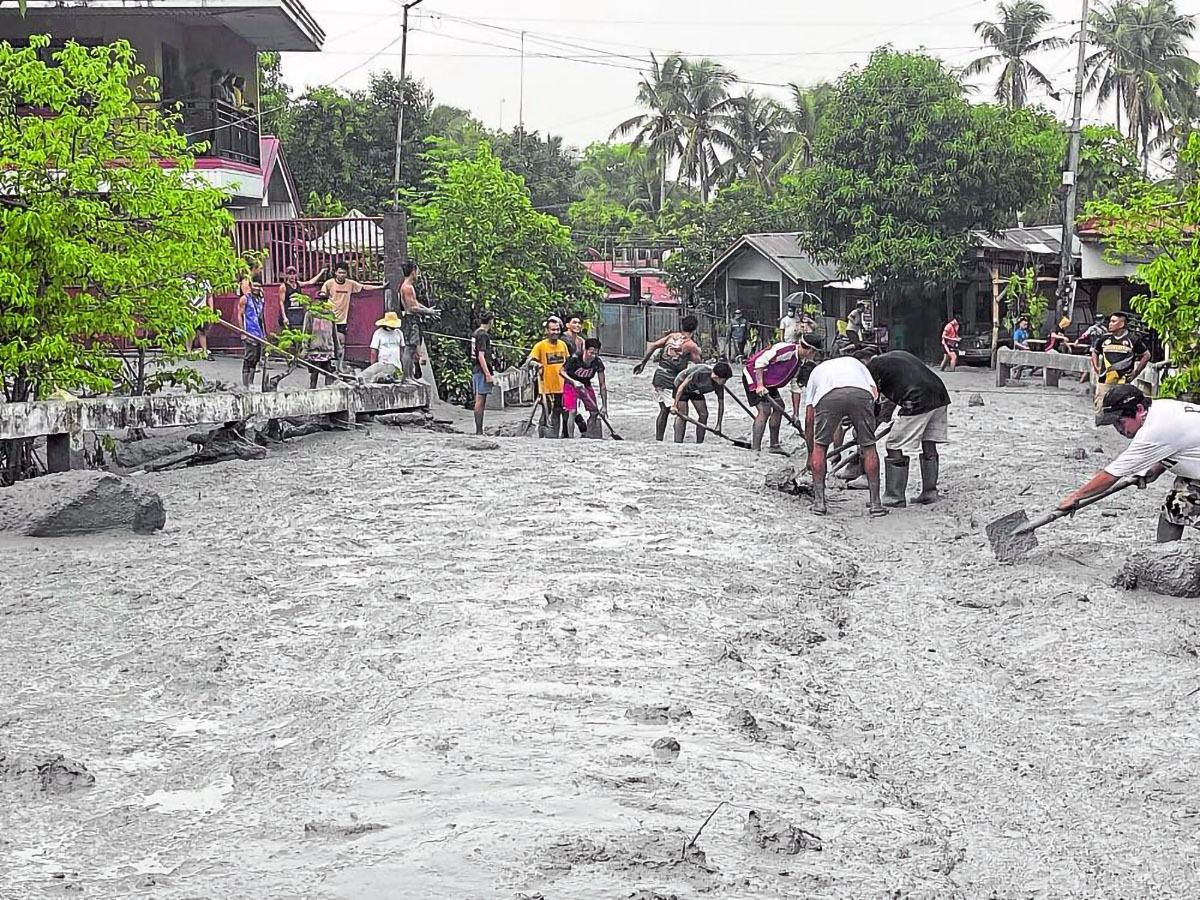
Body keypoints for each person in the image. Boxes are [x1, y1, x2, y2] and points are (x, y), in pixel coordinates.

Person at [1062, 384, 1200, 543]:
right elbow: (1184, 443)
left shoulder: (1153, 431)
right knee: (1175, 508)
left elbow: (1111, 475)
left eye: (1121, 422)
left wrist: (1075, 497)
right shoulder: (1162, 409)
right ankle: (1162, 558)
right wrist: (1157, 467)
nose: (1119, 429)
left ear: (1139, 409)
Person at [866, 350, 951, 507]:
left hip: (917, 399)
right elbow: (891, 399)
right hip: (939, 393)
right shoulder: (894, 357)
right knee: (928, 441)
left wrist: (867, 433)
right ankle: (930, 492)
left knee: (893, 444)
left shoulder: (872, 368)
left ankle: (894, 496)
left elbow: (879, 402)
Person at [804, 353, 885, 517]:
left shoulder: (817, 372)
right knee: (869, 446)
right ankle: (876, 504)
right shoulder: (856, 363)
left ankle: (819, 503)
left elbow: (809, 417)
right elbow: (875, 394)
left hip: (828, 396)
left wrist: (810, 452)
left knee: (820, 447)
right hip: (861, 394)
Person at [743, 332, 822, 453]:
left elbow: (795, 387)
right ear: (810, 350)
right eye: (815, 352)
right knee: (765, 411)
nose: (815, 355)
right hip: (754, 375)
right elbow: (760, 362)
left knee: (779, 407)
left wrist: (795, 414)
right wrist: (759, 385)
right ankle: (755, 448)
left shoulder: (801, 362)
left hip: (769, 382)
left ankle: (774, 445)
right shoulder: (786, 350)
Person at [633, 315, 702, 442]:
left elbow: (652, 345)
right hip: (670, 379)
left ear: (682, 326)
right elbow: (699, 363)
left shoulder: (671, 336)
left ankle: (659, 440)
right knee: (682, 412)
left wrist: (643, 363)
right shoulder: (691, 345)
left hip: (659, 375)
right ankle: (678, 442)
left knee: (664, 410)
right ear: (695, 329)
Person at [320, 262, 387, 372]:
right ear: (335, 272)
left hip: (342, 320)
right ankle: (328, 365)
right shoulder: (329, 283)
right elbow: (322, 294)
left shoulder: (350, 284)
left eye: (344, 273)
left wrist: (380, 287)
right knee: (328, 343)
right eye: (340, 272)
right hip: (329, 319)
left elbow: (364, 287)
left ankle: (340, 366)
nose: (342, 275)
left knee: (341, 343)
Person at [1091, 310, 1150, 411]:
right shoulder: (1104, 338)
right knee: (1101, 408)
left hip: (1123, 381)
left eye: (1113, 321)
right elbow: (1095, 352)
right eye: (1110, 321)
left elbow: (1146, 355)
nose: (1110, 324)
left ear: (1122, 324)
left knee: (1121, 409)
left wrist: (1136, 372)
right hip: (1104, 380)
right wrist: (1096, 366)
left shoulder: (1133, 339)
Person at [527, 318, 570, 438]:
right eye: (553, 330)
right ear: (547, 331)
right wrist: (537, 364)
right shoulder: (540, 346)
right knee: (547, 412)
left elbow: (568, 363)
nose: (555, 332)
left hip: (562, 386)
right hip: (546, 387)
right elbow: (529, 362)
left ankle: (560, 435)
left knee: (562, 412)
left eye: (557, 329)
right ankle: (543, 436)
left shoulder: (563, 345)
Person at [398, 261, 440, 384]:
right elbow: (412, 308)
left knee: (412, 348)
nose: (418, 274)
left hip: (413, 319)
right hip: (411, 319)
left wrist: (428, 310)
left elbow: (416, 303)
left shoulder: (408, 286)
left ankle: (410, 376)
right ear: (413, 271)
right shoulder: (407, 287)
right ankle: (406, 377)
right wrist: (428, 312)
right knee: (410, 348)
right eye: (417, 271)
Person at [672, 361, 731, 444]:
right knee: (683, 414)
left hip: (696, 390)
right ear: (717, 376)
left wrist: (719, 425)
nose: (724, 382)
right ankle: (678, 442)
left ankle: (700, 442)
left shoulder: (719, 385)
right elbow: (682, 386)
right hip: (681, 386)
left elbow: (721, 404)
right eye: (724, 380)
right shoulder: (701, 372)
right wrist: (674, 405)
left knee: (704, 414)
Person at [562, 338, 608, 438]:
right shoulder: (575, 358)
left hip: (586, 385)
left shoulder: (597, 363)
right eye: (591, 353)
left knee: (594, 411)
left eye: (596, 354)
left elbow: (602, 385)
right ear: (585, 350)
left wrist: (604, 406)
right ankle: (570, 437)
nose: (593, 356)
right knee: (572, 411)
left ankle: (587, 434)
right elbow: (561, 372)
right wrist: (574, 382)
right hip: (571, 385)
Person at [302, 292, 339, 388]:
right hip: (315, 349)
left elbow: (334, 333)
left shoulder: (330, 314)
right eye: (320, 300)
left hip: (328, 348)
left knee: (329, 372)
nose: (322, 302)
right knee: (315, 372)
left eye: (324, 300)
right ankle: (312, 390)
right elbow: (306, 332)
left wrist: (337, 349)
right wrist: (305, 348)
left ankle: (328, 390)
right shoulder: (310, 314)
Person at [470, 311, 497, 436]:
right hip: (481, 370)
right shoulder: (483, 335)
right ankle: (479, 430)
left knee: (479, 399)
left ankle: (479, 430)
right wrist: (487, 374)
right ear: (490, 321)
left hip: (475, 369)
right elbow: (481, 356)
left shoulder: (475, 333)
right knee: (480, 401)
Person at [560, 312, 587, 437]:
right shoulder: (563, 339)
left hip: (575, 376)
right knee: (564, 406)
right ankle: (568, 430)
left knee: (570, 405)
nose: (577, 325)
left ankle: (571, 429)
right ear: (567, 324)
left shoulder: (581, 341)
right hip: (562, 373)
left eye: (579, 323)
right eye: (574, 322)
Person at [360, 310, 405, 382]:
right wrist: (373, 365)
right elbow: (373, 352)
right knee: (370, 373)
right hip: (382, 363)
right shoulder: (378, 333)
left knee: (379, 375)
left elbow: (402, 350)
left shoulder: (399, 333)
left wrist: (403, 365)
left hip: (395, 365)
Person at [238, 280, 267, 388]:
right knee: (249, 358)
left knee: (256, 359)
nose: (257, 288)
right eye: (255, 285)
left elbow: (261, 318)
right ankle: (245, 384)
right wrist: (243, 332)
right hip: (249, 332)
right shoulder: (245, 299)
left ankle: (251, 382)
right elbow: (240, 315)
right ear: (251, 286)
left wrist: (264, 333)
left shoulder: (260, 300)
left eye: (259, 286)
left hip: (258, 333)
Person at [279, 265, 322, 331]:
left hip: (297, 312)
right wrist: (284, 317)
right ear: (287, 275)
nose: (292, 276)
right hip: (288, 312)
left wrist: (321, 272)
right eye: (290, 274)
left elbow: (310, 282)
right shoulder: (283, 287)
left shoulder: (298, 284)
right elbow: (281, 302)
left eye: (293, 274)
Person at [184, 275, 213, 359]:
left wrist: (211, 309)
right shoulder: (187, 281)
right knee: (190, 332)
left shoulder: (205, 281)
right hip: (190, 309)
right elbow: (183, 296)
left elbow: (210, 295)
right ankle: (189, 352)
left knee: (202, 331)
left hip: (202, 310)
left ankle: (204, 352)